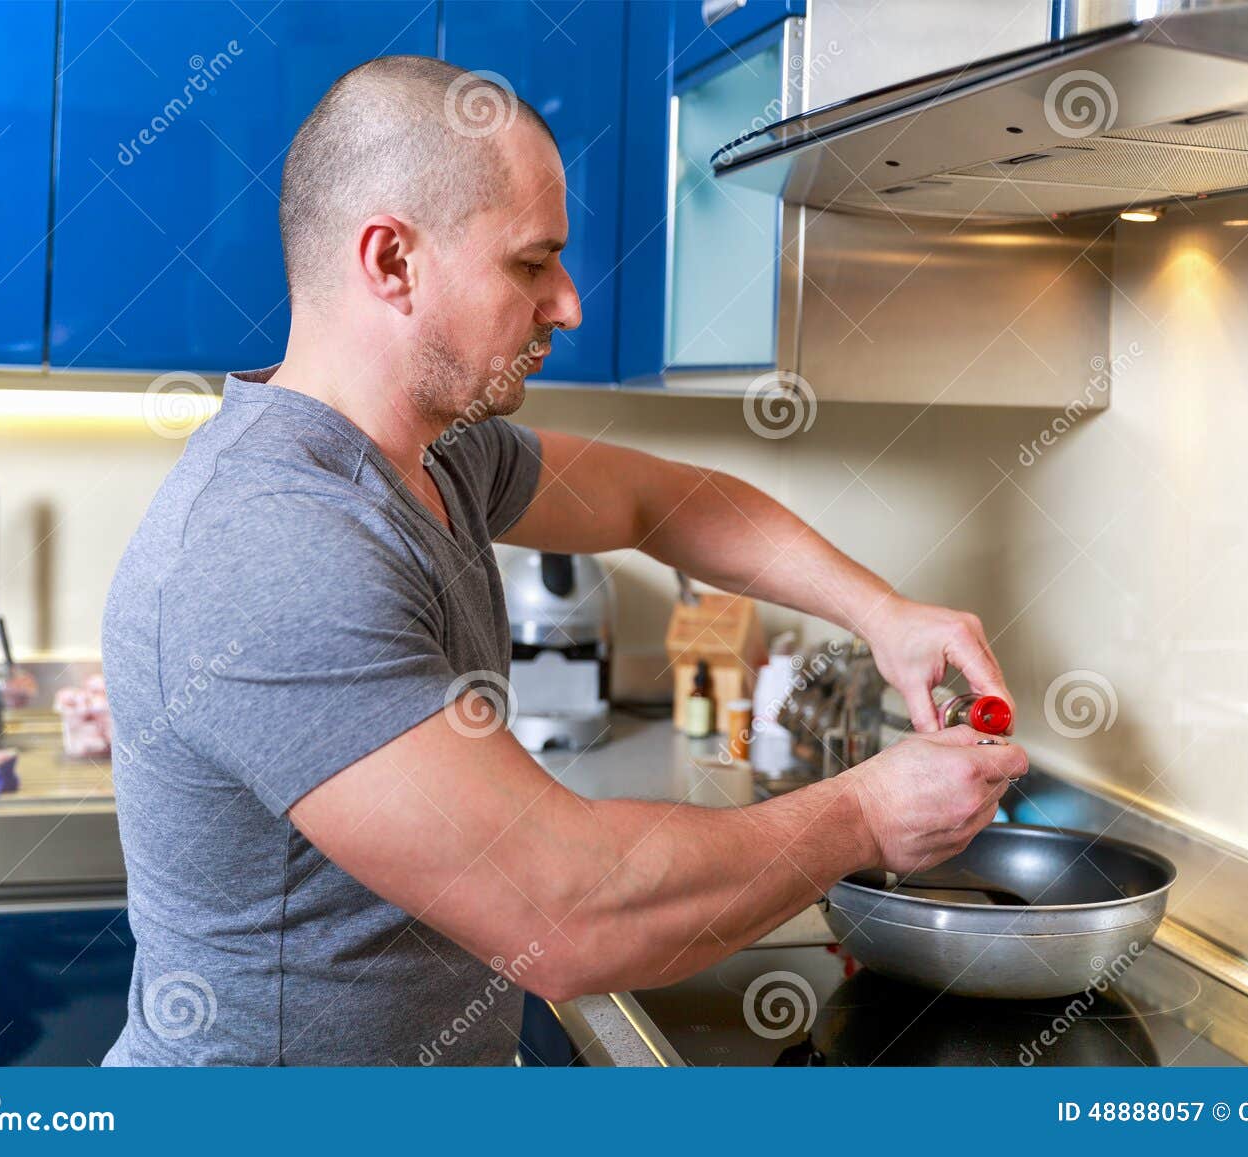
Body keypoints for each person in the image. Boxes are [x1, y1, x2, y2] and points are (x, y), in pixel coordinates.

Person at [101, 56, 1027, 1066]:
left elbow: (661, 499)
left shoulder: (439, 455)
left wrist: (881, 611)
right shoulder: (276, 542)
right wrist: (864, 811)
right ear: (392, 262)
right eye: (531, 264)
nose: (569, 304)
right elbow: (565, 910)